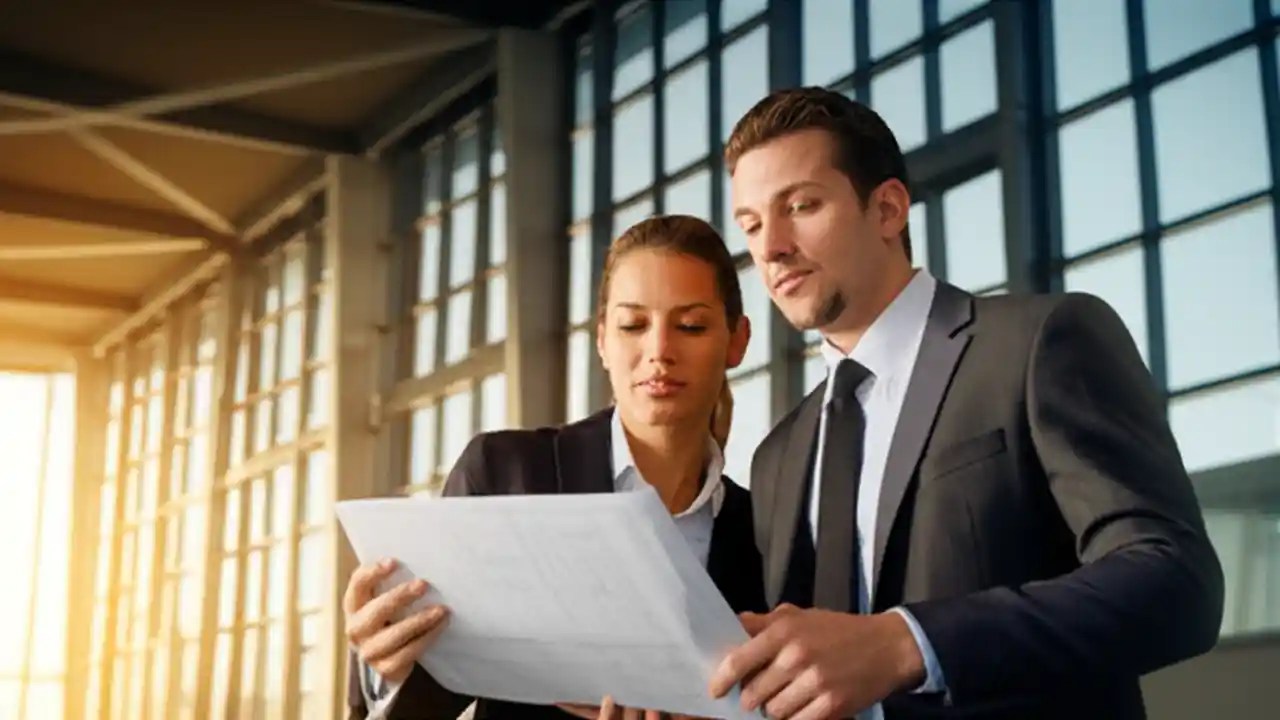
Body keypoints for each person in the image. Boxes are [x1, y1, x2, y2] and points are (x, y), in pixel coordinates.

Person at [706, 87, 1224, 720]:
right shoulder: (777, 455)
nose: (772, 247)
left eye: (802, 206)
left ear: (889, 209)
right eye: (752, 224)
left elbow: (1176, 582)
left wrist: (909, 644)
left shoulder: (1040, 343)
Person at [344, 215, 767, 720]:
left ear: (737, 341)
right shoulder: (505, 476)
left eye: (691, 326)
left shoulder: (765, 532)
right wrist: (384, 671)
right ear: (603, 340)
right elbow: (427, 698)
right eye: (633, 325)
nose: (659, 351)